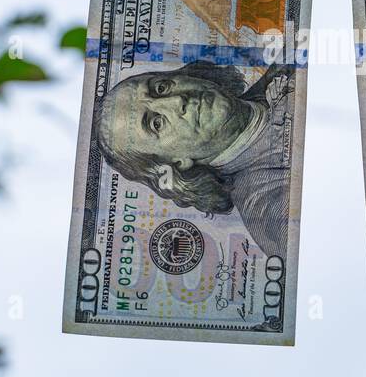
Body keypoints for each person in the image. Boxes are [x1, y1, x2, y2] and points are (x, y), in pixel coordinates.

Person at [95, 61, 294, 258]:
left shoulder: (284, 65)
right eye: (157, 123)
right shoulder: (268, 209)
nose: (177, 101)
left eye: (161, 88)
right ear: (176, 164)